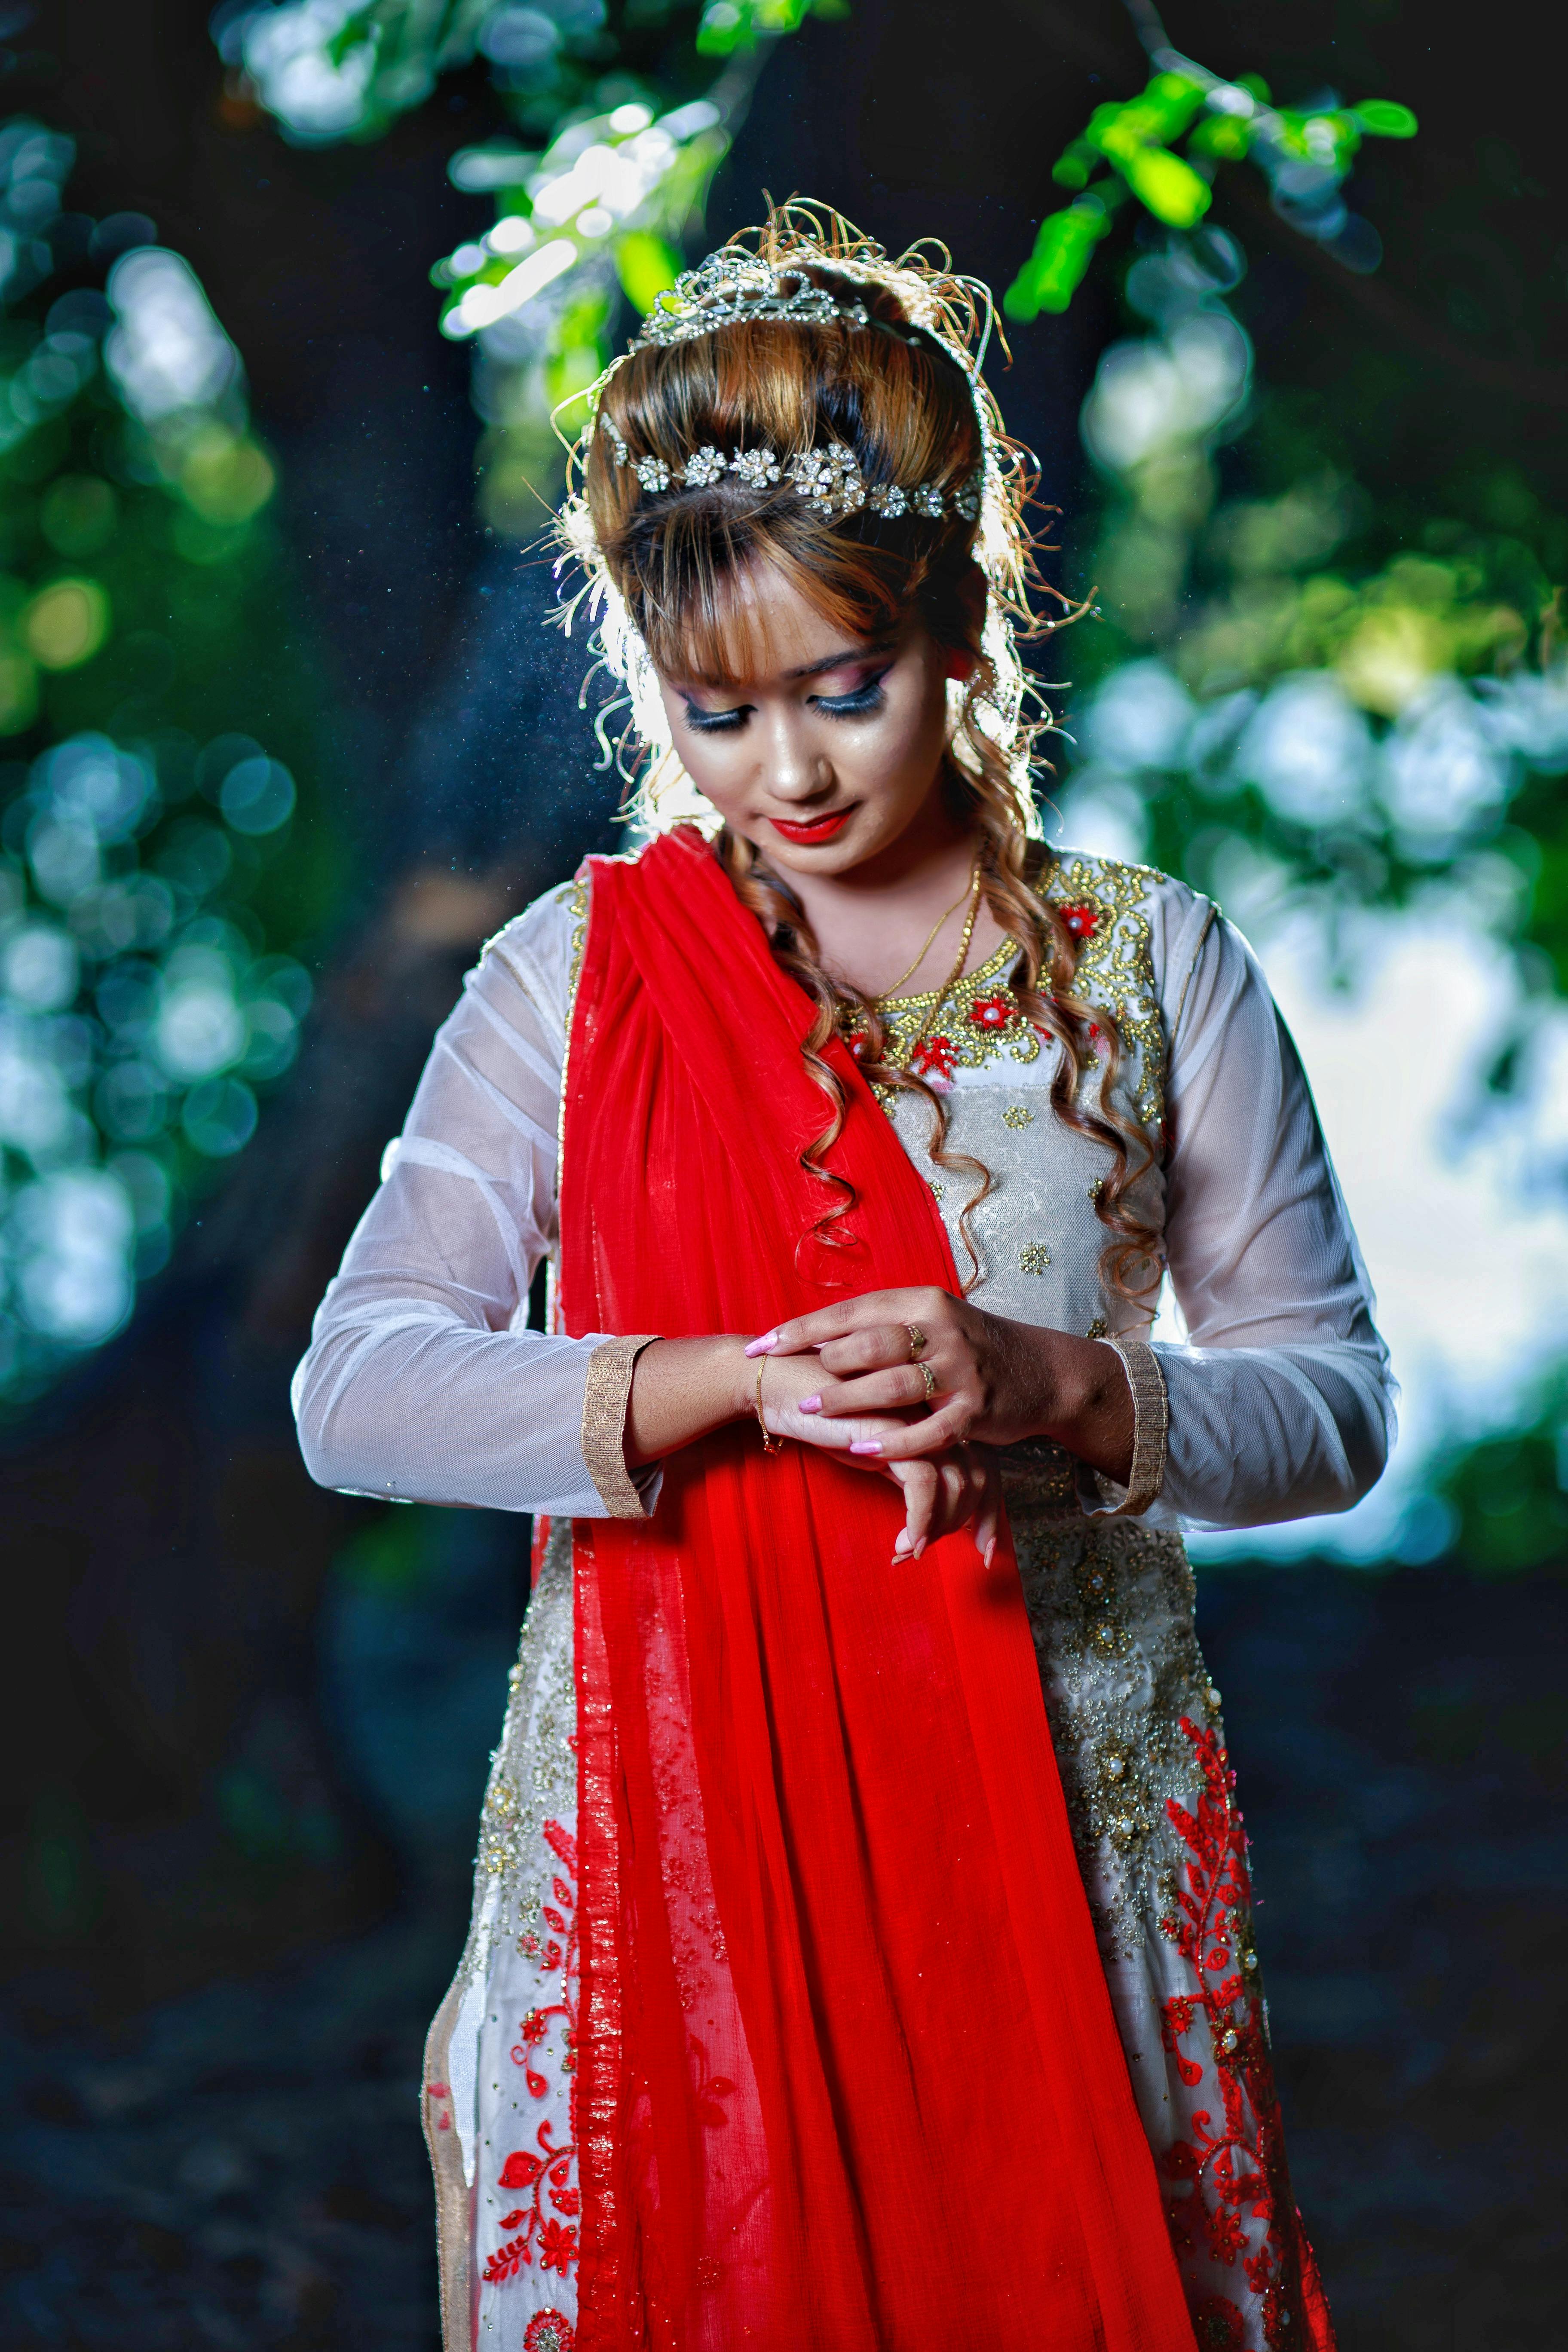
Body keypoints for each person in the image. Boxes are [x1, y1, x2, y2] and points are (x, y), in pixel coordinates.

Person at [294, 206, 1392, 2352]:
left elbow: (1335, 1408)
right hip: (682, 1867)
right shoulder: (582, 980)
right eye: (713, 714)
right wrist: (718, 1382)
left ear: (964, 626)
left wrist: (1064, 1387)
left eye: (843, 691)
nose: (786, 774)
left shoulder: (1150, 971)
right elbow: (359, 1388)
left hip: (1066, 1853)